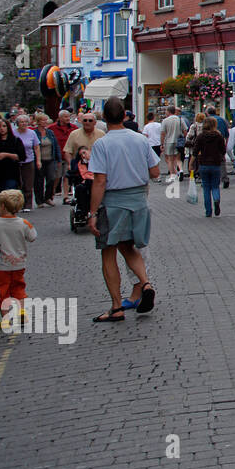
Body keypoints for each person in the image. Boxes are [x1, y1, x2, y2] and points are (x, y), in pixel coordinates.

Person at [86, 97, 160, 324]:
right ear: (125, 116)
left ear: (104, 118)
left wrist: (92, 213)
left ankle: (116, 307)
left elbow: (99, 181)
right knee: (129, 247)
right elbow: (156, 172)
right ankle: (145, 283)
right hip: (138, 200)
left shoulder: (102, 144)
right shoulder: (140, 140)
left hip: (114, 202)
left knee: (108, 253)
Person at [0, 189, 35, 326]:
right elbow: (32, 236)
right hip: (18, 264)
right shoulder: (23, 223)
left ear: (2, 206)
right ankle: (21, 312)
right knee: (18, 287)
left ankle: (5, 318)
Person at [190, 114, 227, 217]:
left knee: (206, 188)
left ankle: (208, 211)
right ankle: (216, 200)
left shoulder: (201, 136)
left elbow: (195, 151)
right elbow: (223, 150)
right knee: (215, 186)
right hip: (215, 164)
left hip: (204, 164)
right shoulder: (218, 136)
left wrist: (191, 163)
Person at [63, 111, 105, 199]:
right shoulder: (74, 134)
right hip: (80, 167)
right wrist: (71, 164)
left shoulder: (101, 134)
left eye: (90, 120)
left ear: (95, 122)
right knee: (80, 187)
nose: (87, 122)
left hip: (97, 166)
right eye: (85, 120)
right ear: (81, 122)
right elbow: (67, 151)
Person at [11, 113, 42, 212]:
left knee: (28, 183)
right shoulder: (13, 133)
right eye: (21, 122)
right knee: (18, 183)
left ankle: (28, 205)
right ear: (18, 123)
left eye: (25, 122)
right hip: (16, 161)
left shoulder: (32, 133)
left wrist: (38, 160)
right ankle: (18, 204)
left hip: (29, 160)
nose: (24, 124)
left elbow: (36, 147)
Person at [34, 113, 61, 208]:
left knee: (52, 178)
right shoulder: (35, 133)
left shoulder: (50, 132)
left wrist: (58, 158)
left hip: (50, 159)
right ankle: (39, 200)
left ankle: (48, 197)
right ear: (38, 122)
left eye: (46, 120)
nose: (45, 122)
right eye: (43, 120)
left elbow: (56, 145)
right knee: (39, 181)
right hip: (39, 160)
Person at [48, 110, 76, 202]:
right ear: (60, 118)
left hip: (69, 156)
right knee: (56, 176)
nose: (68, 118)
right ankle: (51, 193)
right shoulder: (52, 128)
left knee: (66, 176)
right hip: (57, 157)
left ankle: (65, 196)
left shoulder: (73, 128)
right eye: (65, 117)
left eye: (68, 116)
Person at [160, 106, 184, 181]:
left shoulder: (165, 120)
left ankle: (172, 175)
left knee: (170, 159)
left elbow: (163, 133)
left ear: (168, 112)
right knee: (178, 158)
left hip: (169, 141)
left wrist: (162, 143)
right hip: (179, 142)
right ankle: (181, 170)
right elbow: (185, 130)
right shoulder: (180, 119)